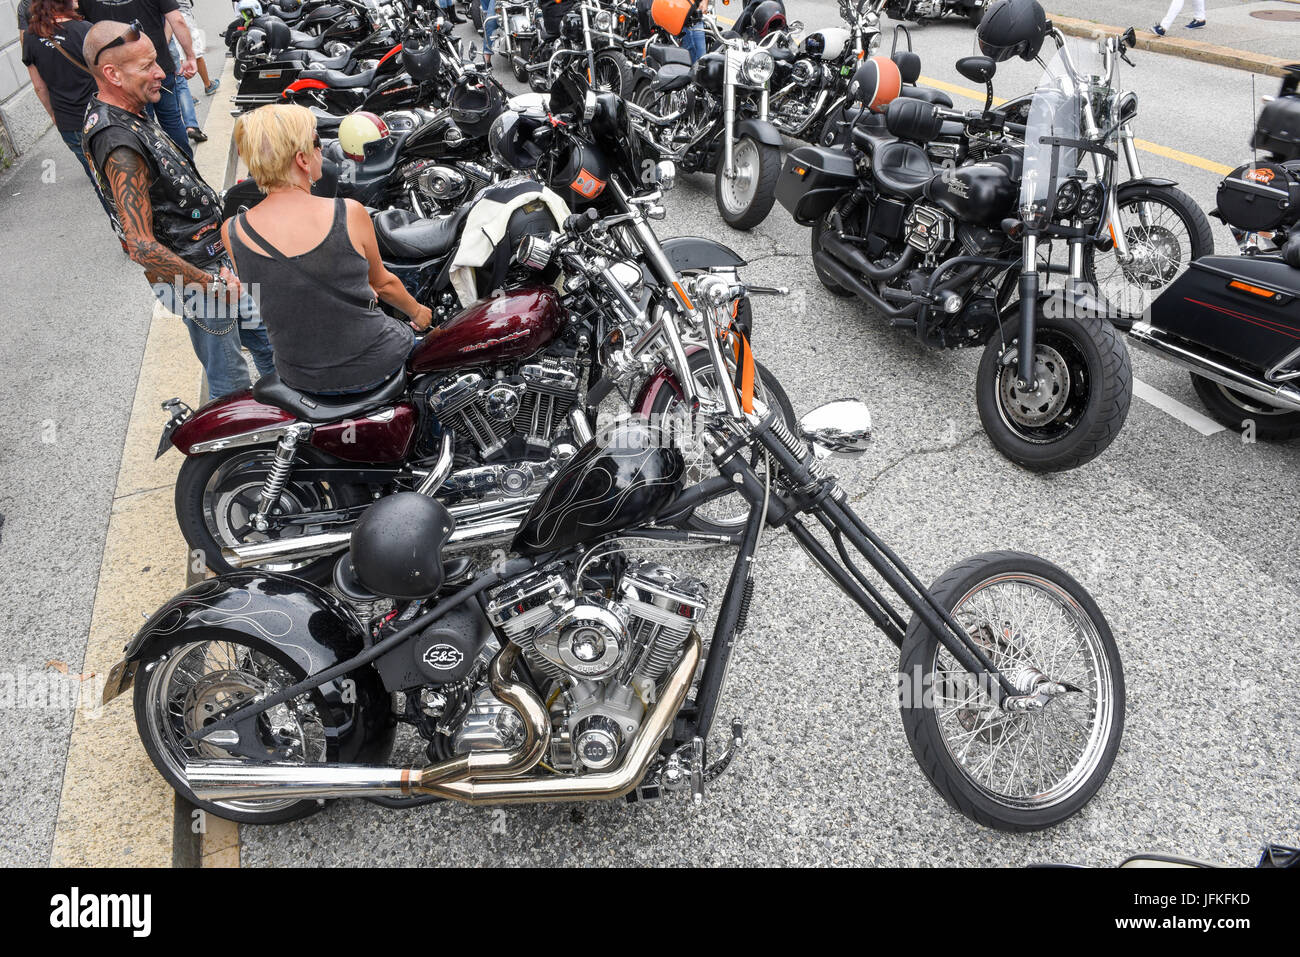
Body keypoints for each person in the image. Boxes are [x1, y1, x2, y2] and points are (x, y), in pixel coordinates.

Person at [82, 20, 277, 400]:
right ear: (112, 74)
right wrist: (212, 286)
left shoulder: (127, 109)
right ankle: (240, 453)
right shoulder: (118, 141)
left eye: (157, 61)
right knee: (231, 381)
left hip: (214, 264)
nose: (160, 72)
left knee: (269, 344)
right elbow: (140, 245)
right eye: (146, 66)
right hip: (199, 280)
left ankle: (294, 423)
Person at [224, 104, 434, 396]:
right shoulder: (348, 212)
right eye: (317, 144)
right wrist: (420, 313)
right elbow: (383, 284)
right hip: (375, 364)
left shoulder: (234, 230)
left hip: (299, 376)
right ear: (302, 159)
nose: (322, 151)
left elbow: (283, 294)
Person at [22, 0, 116, 219]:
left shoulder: (30, 37)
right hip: (101, 115)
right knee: (123, 175)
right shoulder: (85, 30)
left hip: (69, 122)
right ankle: (144, 230)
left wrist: (54, 116)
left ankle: (123, 235)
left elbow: (39, 87)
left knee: (99, 181)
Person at [78, 0, 198, 157]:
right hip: (132, 75)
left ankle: (183, 168)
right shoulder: (115, 142)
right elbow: (177, 20)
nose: (159, 73)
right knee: (162, 123)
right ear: (112, 73)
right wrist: (189, 55)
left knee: (145, 127)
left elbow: (86, 31)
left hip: (128, 74)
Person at [175, 0, 217, 94]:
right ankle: (207, 85)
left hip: (168, 18)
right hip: (181, 16)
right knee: (194, 53)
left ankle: (184, 94)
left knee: (177, 54)